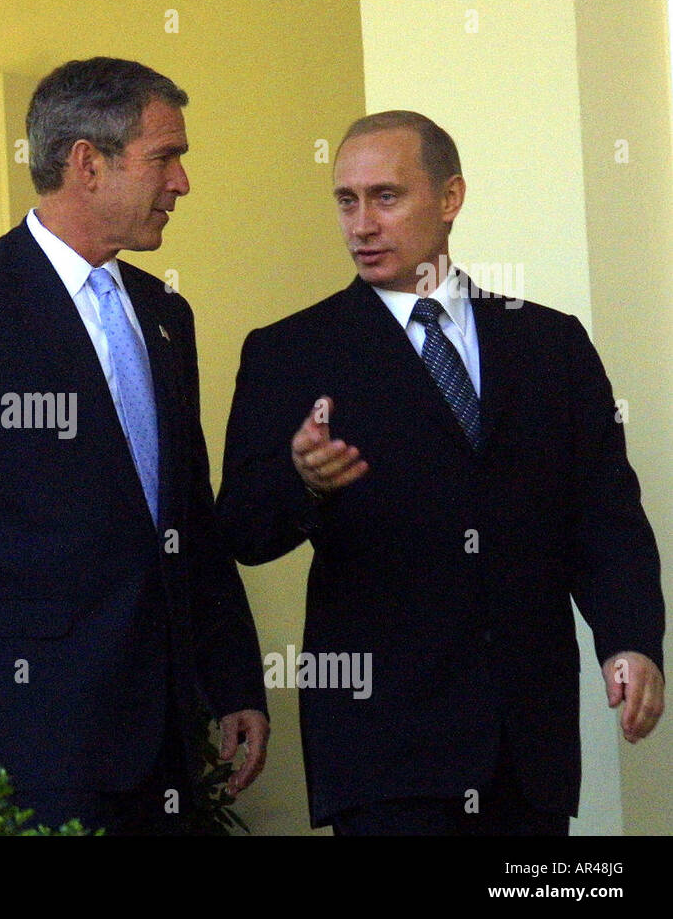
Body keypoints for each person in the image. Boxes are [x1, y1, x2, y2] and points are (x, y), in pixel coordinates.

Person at [0, 57, 269, 833]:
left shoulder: (166, 314)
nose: (181, 183)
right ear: (86, 162)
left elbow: (188, 518)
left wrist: (234, 679)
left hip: (163, 741)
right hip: (23, 737)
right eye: (165, 157)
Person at [216, 110, 665, 835]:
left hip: (529, 752)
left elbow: (604, 514)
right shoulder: (290, 351)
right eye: (346, 200)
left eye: (385, 197)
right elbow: (238, 527)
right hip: (385, 754)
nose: (361, 223)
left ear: (450, 197)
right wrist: (301, 479)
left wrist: (631, 638)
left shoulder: (550, 343)